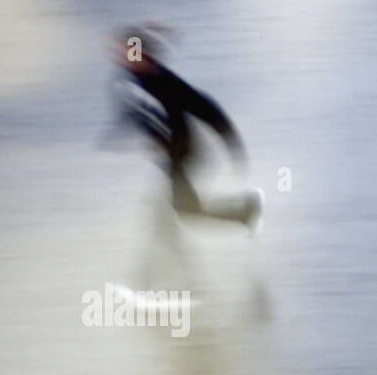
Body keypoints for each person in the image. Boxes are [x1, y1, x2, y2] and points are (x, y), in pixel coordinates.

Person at [108, 25, 263, 229]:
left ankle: (245, 211)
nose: (125, 59)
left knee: (185, 210)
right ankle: (243, 213)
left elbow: (203, 107)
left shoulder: (164, 83)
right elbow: (137, 113)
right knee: (181, 210)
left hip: (182, 151)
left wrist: (231, 142)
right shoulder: (134, 82)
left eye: (131, 55)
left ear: (142, 56)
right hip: (172, 153)